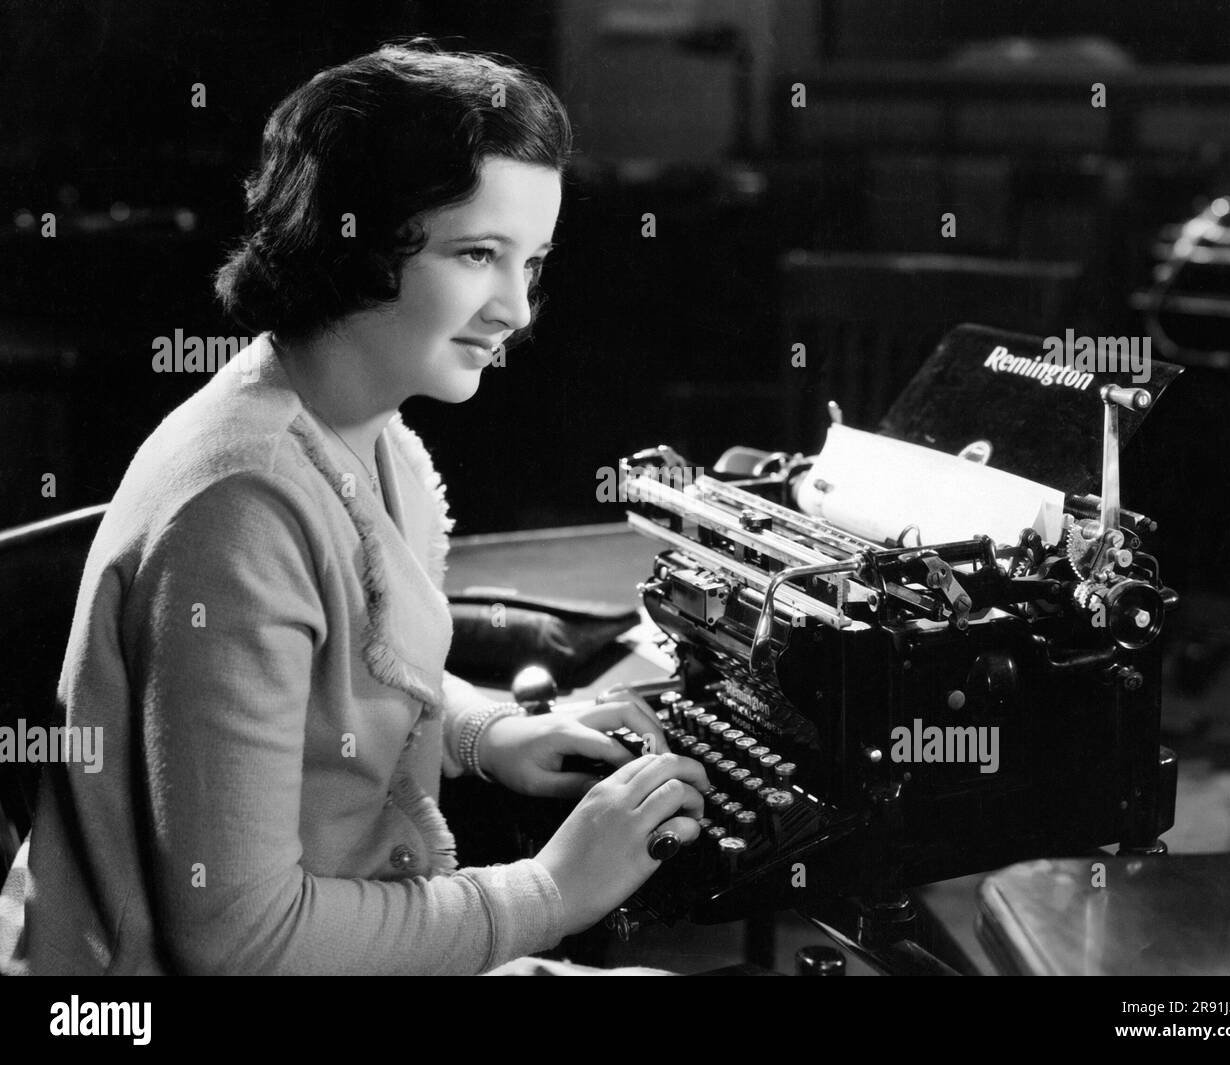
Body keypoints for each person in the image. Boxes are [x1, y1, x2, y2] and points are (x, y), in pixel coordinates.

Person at [0, 39, 707, 975]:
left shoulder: (372, 442)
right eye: (477, 254)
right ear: (357, 241)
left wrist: (486, 731)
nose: (517, 309)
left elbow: (348, 677)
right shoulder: (243, 505)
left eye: (530, 262)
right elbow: (237, 941)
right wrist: (551, 891)